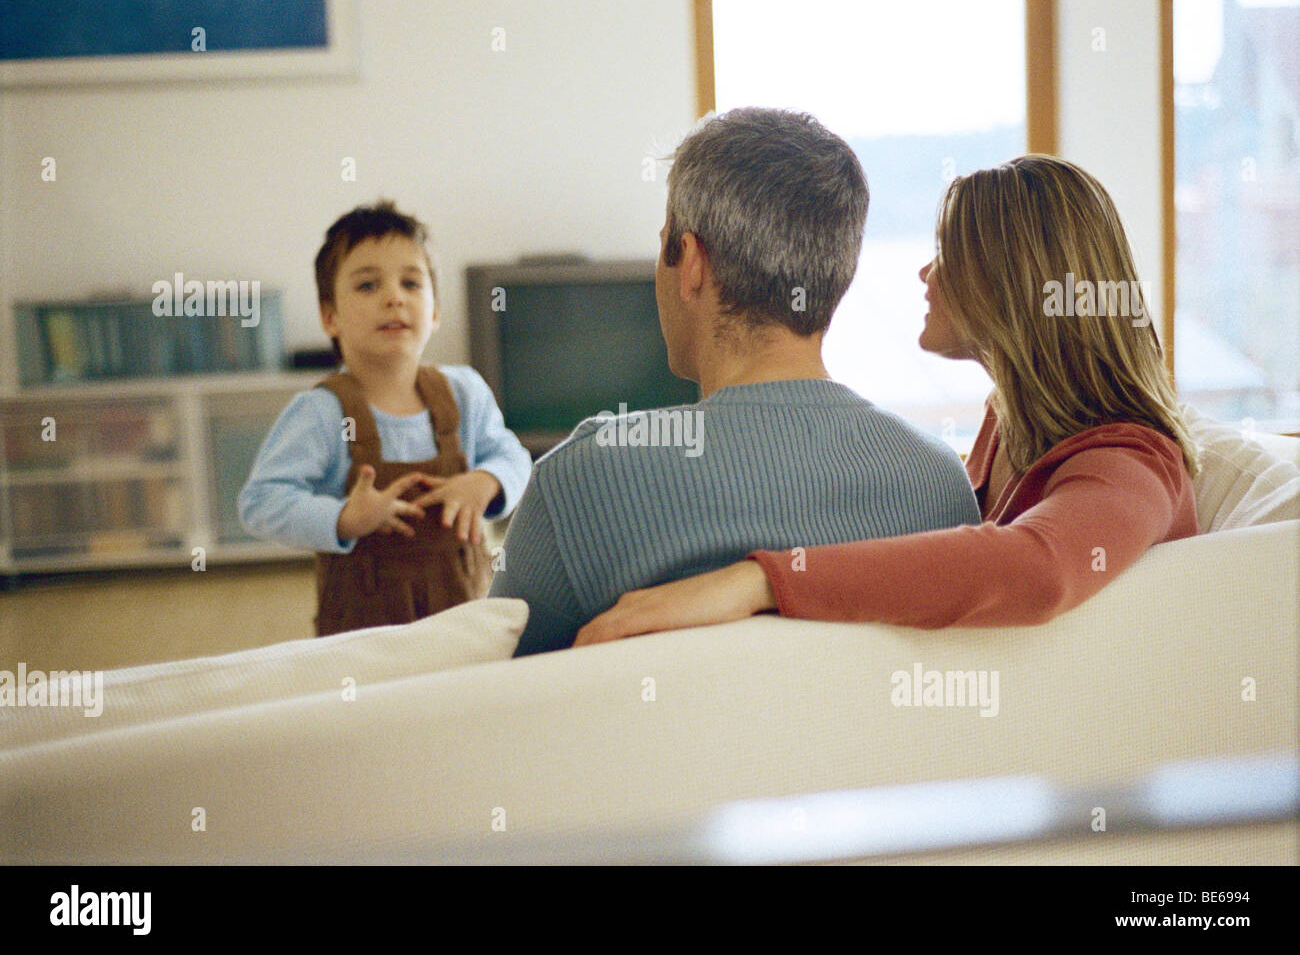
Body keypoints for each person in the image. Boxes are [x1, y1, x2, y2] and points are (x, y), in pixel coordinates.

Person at [574, 154, 1201, 646]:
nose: (926, 274)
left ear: (1014, 284)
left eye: (950, 253)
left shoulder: (1132, 459)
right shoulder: (1006, 424)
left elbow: (1039, 568)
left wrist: (759, 579)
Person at [490, 108, 982, 657]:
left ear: (692, 263)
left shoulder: (579, 485)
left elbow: (500, 703)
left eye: (664, 248)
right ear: (837, 271)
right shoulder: (939, 485)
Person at [239, 201, 532, 636]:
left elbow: (514, 456)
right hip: (362, 639)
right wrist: (342, 519)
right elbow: (260, 504)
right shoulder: (321, 413)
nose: (394, 297)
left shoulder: (465, 392)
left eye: (411, 283)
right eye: (368, 285)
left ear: (434, 313)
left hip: (466, 621)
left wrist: (489, 480)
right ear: (329, 317)